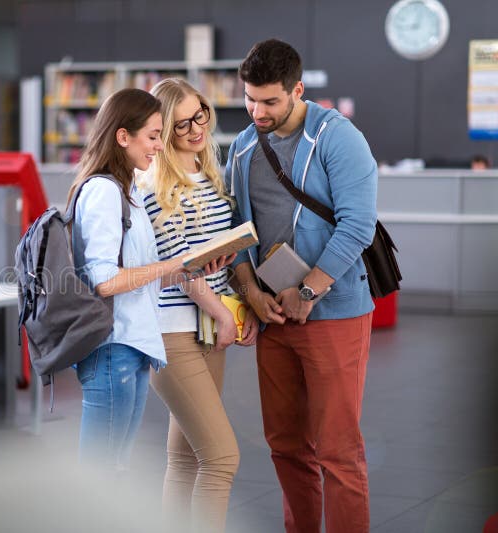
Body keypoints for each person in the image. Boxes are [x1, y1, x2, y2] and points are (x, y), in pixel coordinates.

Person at [225, 39, 378, 533]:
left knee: (338, 450)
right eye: (250, 98)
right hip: (273, 315)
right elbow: (236, 229)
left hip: (333, 312)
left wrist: (308, 291)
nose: (257, 110)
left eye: (270, 101)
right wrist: (250, 292)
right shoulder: (243, 145)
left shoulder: (339, 137)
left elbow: (358, 226)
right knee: (287, 446)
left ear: (298, 89)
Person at [69, 88, 232, 470]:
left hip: (132, 345)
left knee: (114, 469)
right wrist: (171, 264)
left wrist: (181, 269)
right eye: (154, 135)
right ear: (123, 137)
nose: (160, 146)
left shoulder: (126, 191)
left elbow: (136, 274)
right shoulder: (104, 191)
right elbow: (104, 280)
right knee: (99, 476)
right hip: (112, 347)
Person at [136, 77, 258, 533]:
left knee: (185, 458)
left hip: (208, 325)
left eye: (200, 114)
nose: (195, 128)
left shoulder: (209, 175)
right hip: (174, 330)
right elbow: (180, 266)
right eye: (181, 123)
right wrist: (224, 313)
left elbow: (205, 256)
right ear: (162, 130)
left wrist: (230, 303)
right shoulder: (152, 183)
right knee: (223, 457)